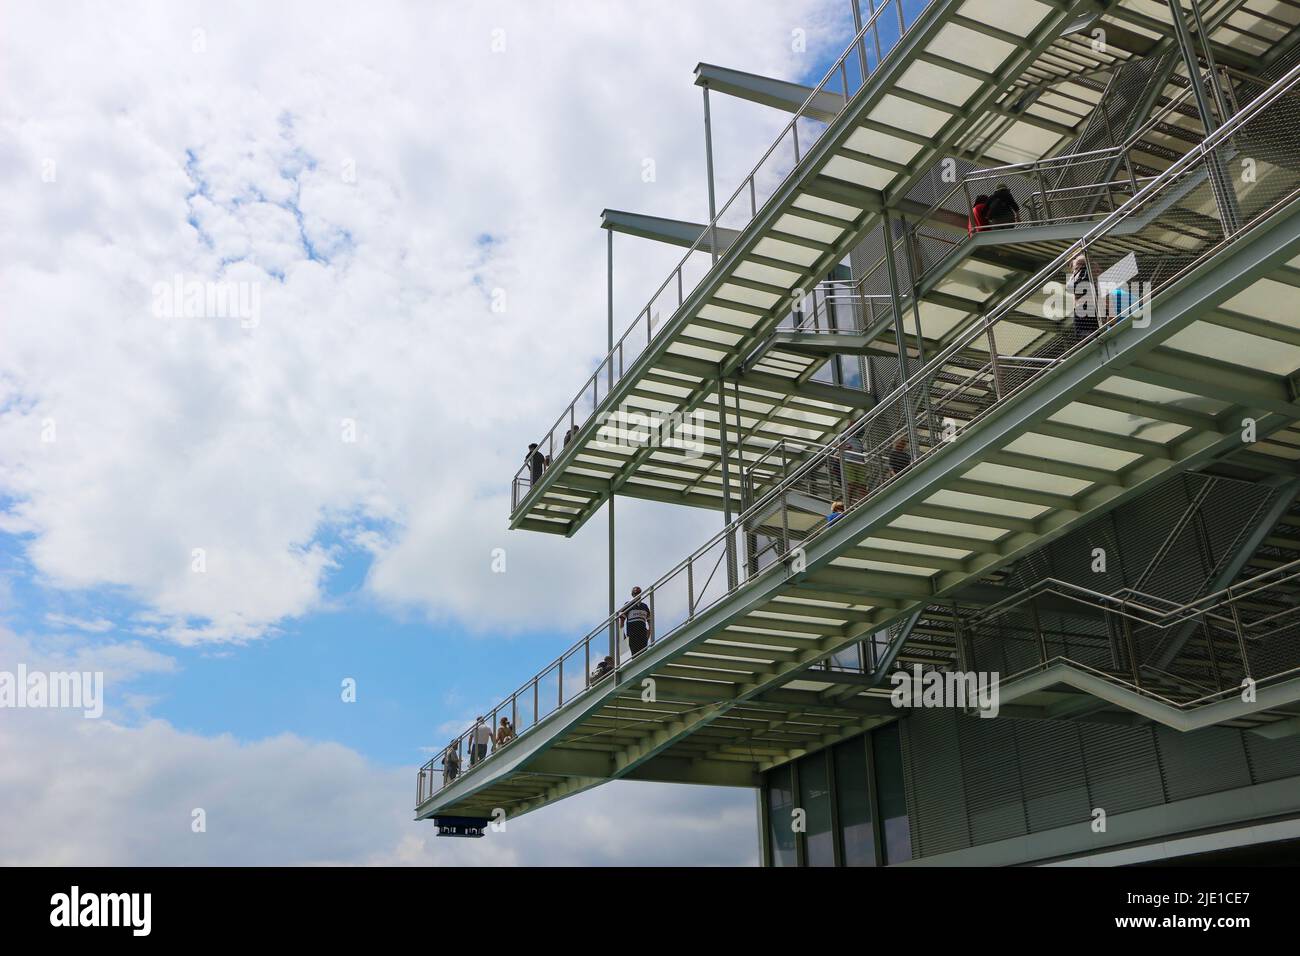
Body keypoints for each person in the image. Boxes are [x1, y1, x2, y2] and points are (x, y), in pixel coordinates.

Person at [1068, 254, 1097, 341]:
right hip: (1085, 316)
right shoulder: (1074, 278)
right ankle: (1087, 336)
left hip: (1092, 309)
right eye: (1075, 269)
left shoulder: (1086, 273)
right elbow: (1071, 289)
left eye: (1077, 268)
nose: (1075, 270)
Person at [619, 586, 652, 657]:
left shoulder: (645, 606)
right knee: (635, 655)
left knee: (643, 654)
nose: (637, 595)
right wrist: (623, 634)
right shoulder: (628, 605)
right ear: (632, 594)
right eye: (635, 593)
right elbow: (621, 621)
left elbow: (649, 621)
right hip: (632, 635)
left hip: (643, 634)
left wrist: (649, 631)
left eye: (639, 593)